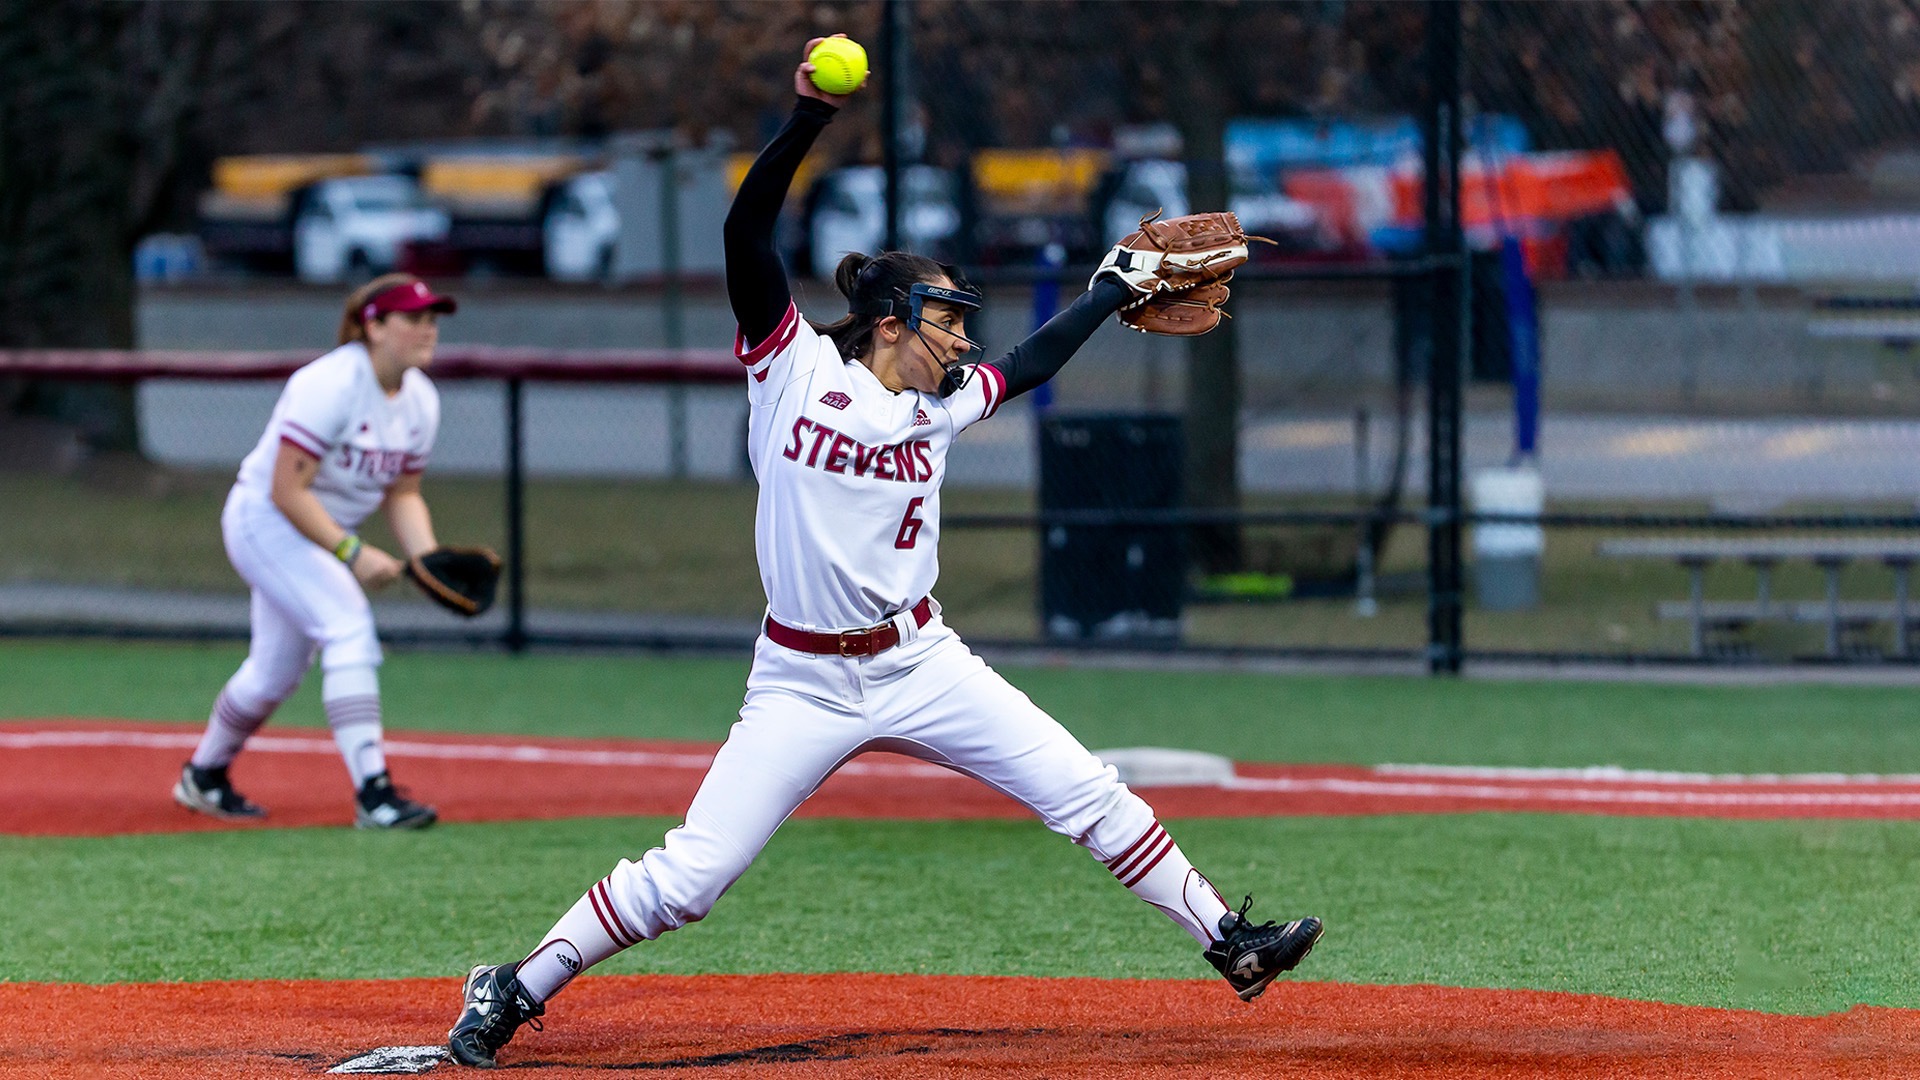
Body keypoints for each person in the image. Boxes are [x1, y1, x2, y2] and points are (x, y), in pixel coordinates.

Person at [446, 37, 1322, 1068]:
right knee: (691, 879)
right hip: (802, 678)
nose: (961, 335)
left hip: (922, 660)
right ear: (891, 319)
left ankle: (1230, 942)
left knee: (1086, 791)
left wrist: (1104, 290)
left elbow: (1030, 364)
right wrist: (810, 117)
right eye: (945, 315)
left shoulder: (939, 410)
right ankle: (516, 985)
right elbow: (744, 230)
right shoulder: (790, 369)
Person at [171, 273, 452, 831]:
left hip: (317, 533)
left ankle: (203, 774)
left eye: (432, 319)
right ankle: (375, 793)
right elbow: (286, 490)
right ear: (374, 327)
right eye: (413, 318)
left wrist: (428, 561)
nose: (428, 330)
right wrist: (352, 553)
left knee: (272, 673)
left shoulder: (421, 400)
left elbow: (404, 493)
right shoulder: (330, 384)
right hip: (265, 521)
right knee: (348, 626)